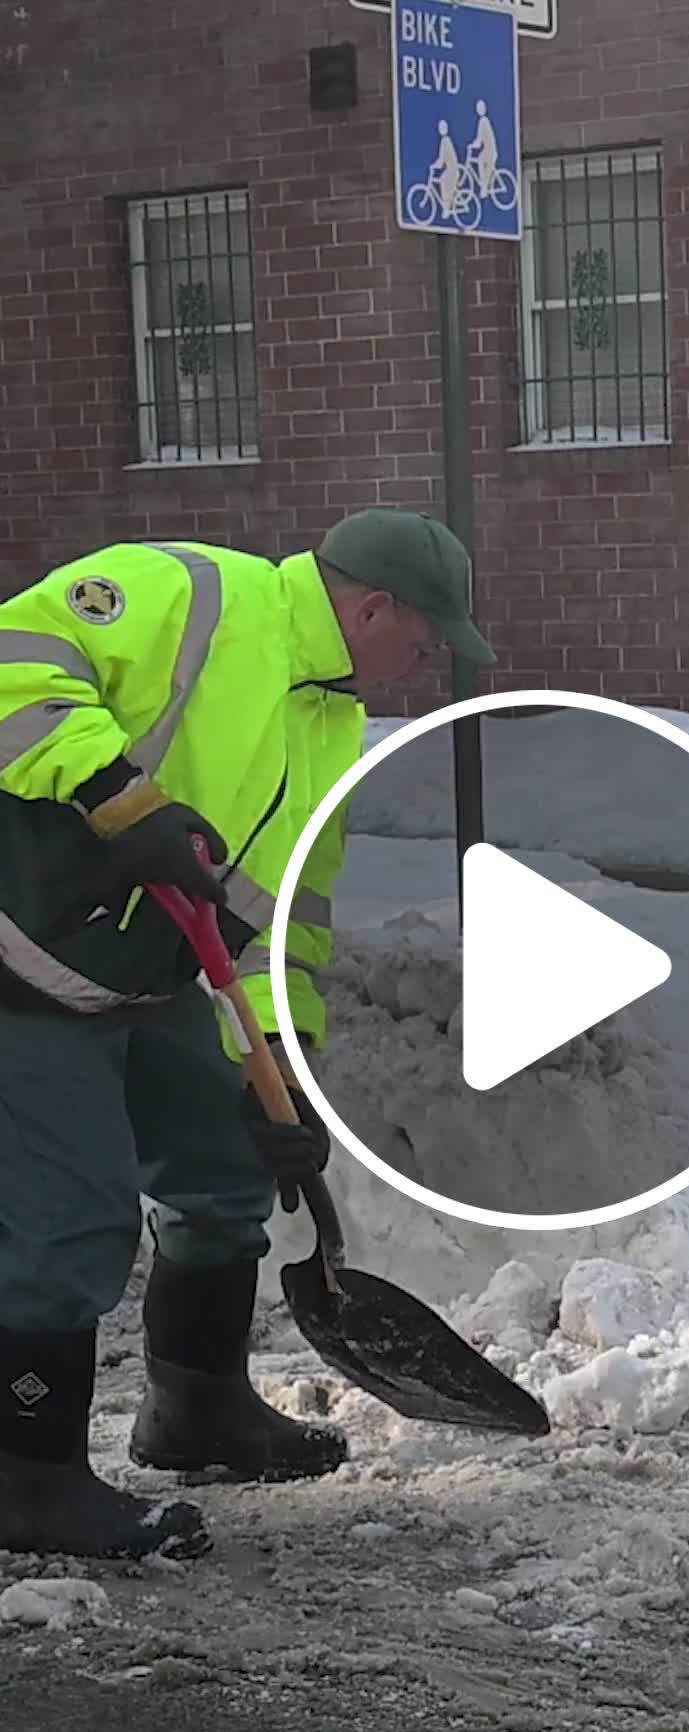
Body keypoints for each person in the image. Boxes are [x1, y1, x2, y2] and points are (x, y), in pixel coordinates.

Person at [0, 508, 496, 1563]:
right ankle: (28, 1474)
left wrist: (278, 1059)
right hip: (17, 951)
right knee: (68, 1222)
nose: (425, 664)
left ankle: (197, 1409)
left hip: (147, 973)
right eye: (424, 641)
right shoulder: (190, 595)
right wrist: (109, 787)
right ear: (373, 607)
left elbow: (286, 911)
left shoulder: (329, 722)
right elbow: (13, 658)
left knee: (227, 1169)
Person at [466, 99, 498, 199]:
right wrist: (473, 145)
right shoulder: (483, 121)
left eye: (480, 108)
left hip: (490, 150)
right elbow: (479, 139)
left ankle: (484, 187)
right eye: (478, 108)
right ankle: (484, 185)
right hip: (488, 149)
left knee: (480, 161)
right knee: (481, 160)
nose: (479, 110)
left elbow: (480, 140)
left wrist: (472, 146)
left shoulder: (483, 122)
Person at [430, 119, 461, 219]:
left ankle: (447, 208)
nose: (441, 130)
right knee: (444, 180)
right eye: (440, 128)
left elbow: (442, 159)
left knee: (444, 181)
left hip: (452, 171)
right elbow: (442, 159)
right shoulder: (445, 140)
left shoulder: (445, 141)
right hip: (452, 169)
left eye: (443, 128)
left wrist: (434, 166)